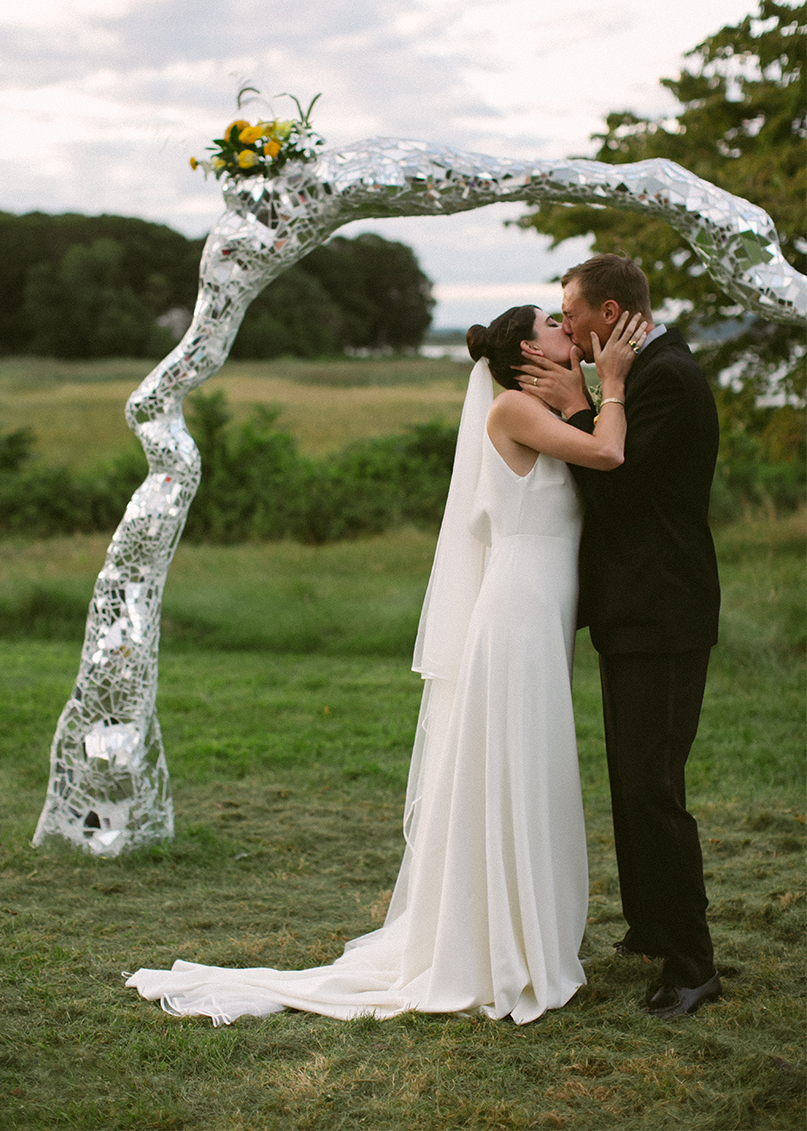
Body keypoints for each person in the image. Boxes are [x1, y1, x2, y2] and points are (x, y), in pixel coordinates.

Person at [126, 304, 645, 1027]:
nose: (568, 328)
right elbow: (610, 454)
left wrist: (583, 396)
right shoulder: (513, 411)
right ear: (528, 350)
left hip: (544, 613)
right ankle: (501, 948)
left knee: (531, 762)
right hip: (519, 611)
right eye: (553, 325)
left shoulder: (548, 409)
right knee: (516, 761)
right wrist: (610, 385)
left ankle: (526, 933)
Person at [517, 254, 722, 1020]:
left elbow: (617, 487)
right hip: (631, 613)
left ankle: (693, 964)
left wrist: (579, 402)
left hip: (664, 612)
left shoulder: (668, 377)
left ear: (608, 314)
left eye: (570, 314)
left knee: (653, 789)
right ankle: (650, 928)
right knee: (631, 784)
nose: (566, 328)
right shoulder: (641, 371)